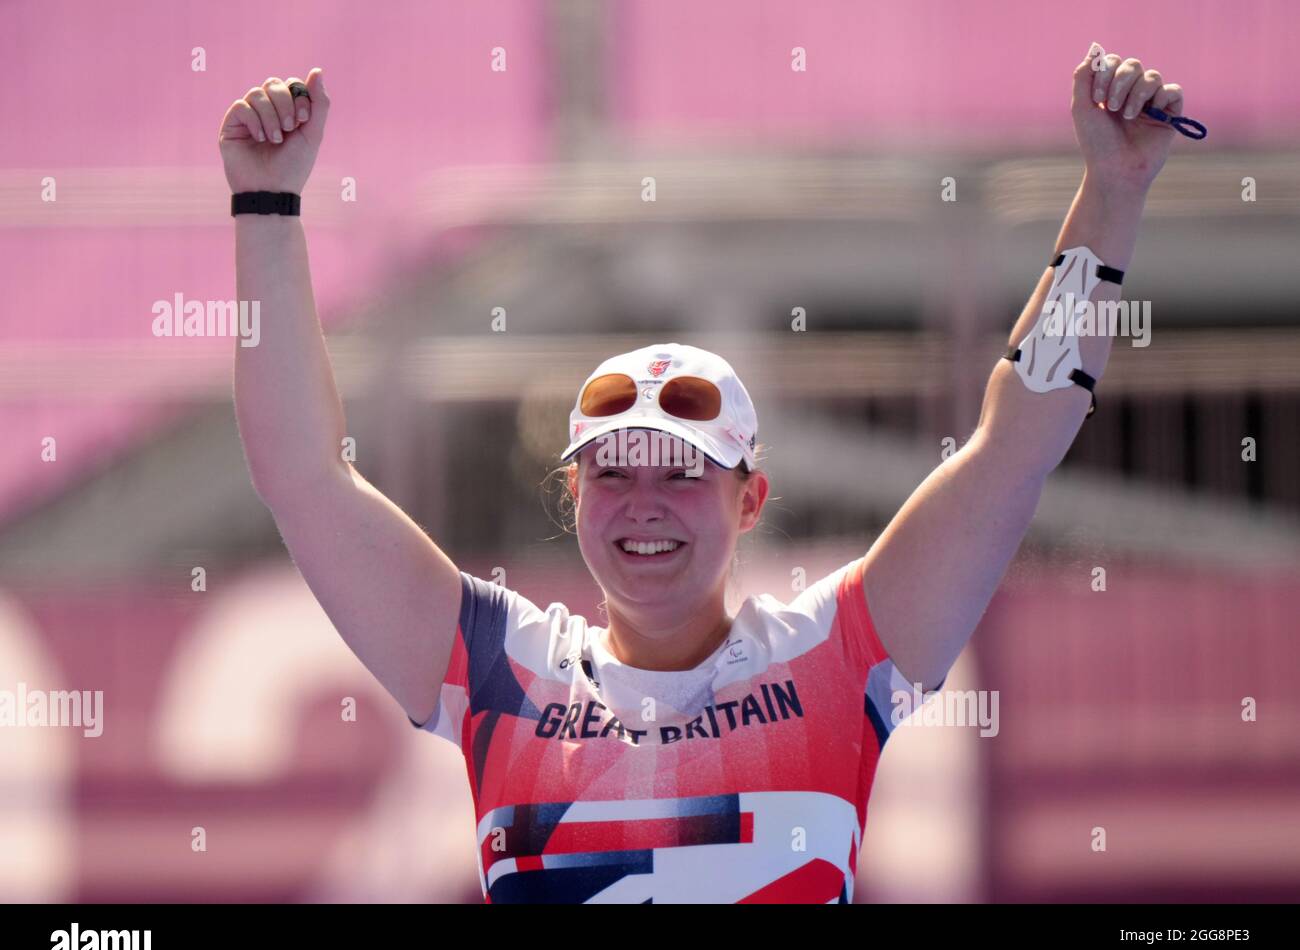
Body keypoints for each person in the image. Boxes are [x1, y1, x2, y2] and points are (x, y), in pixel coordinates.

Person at [219, 46, 1186, 903]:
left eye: (684, 474)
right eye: (613, 473)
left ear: (750, 498)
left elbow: (1015, 442)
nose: (644, 503)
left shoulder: (843, 652)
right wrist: (266, 207)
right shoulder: (495, 665)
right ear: (574, 498)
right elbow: (299, 475)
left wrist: (1113, 192)